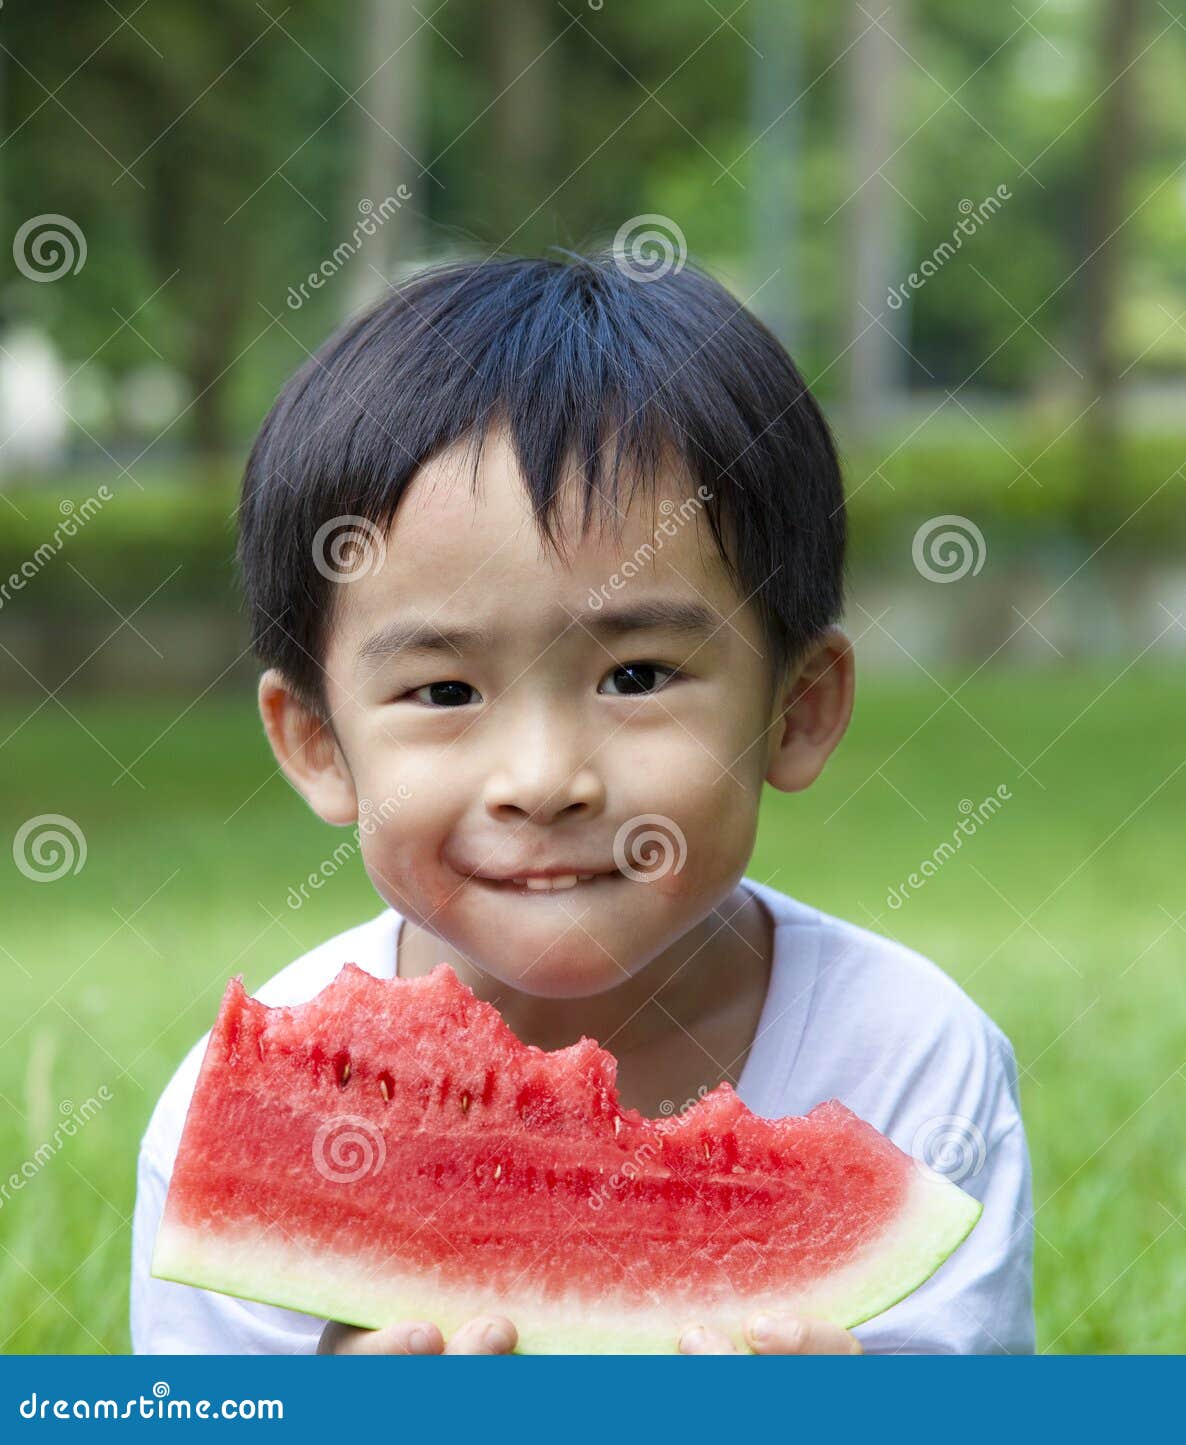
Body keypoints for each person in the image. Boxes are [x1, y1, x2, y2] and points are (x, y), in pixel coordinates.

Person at [130, 253, 1033, 1355]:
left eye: (637, 676)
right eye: (445, 691)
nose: (546, 777)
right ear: (319, 744)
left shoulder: (907, 1056)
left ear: (795, 710)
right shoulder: (248, 1116)